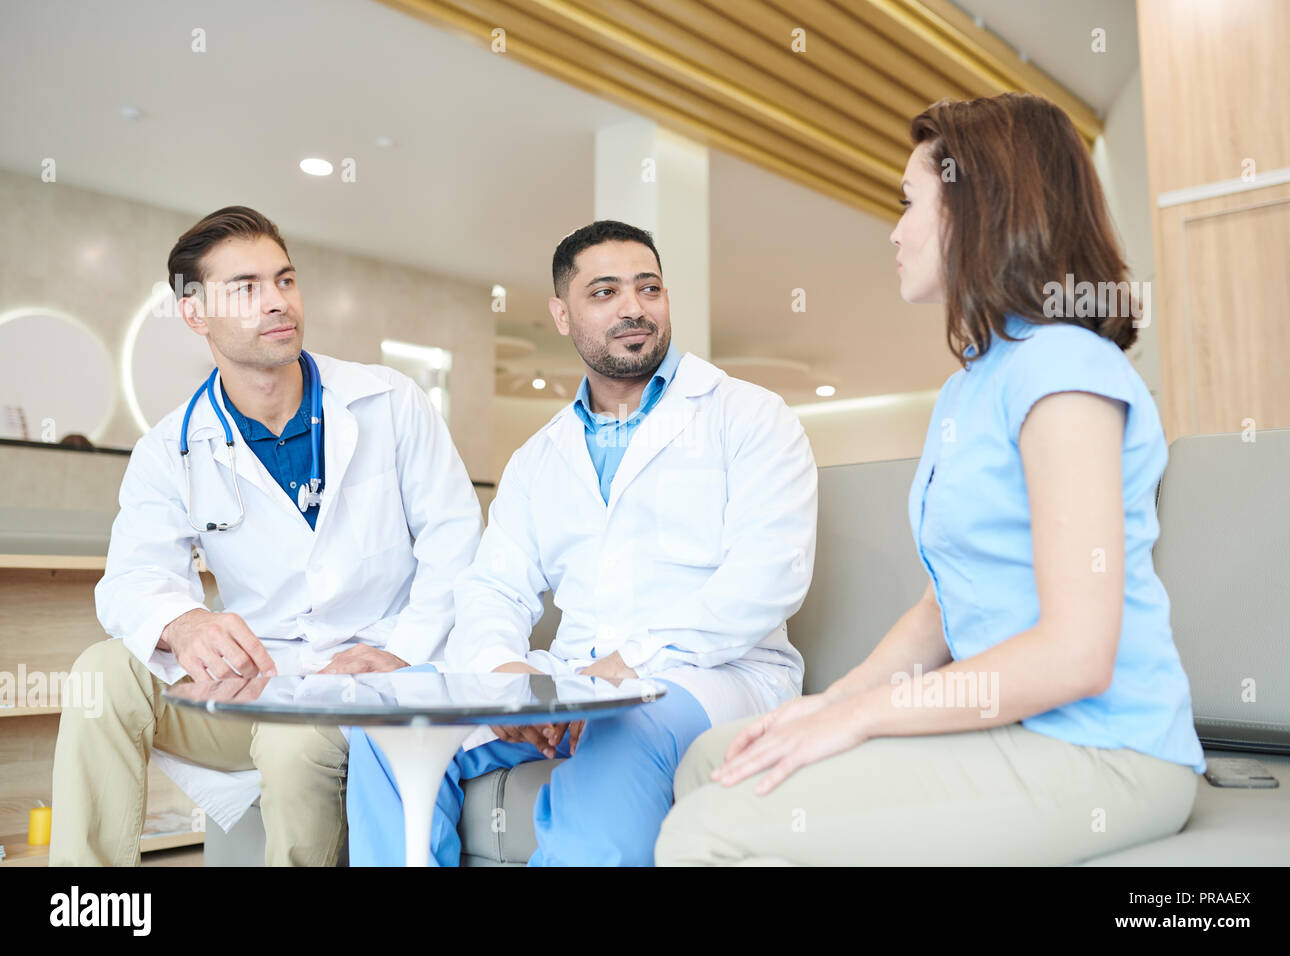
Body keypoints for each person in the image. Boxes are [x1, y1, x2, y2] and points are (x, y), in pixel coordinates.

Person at [655, 93, 1205, 866]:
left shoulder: (1065, 369)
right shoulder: (972, 384)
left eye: (909, 204)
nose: (895, 230)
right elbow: (942, 612)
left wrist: (866, 719)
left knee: (708, 830)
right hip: (1006, 727)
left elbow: (1076, 654)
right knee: (715, 758)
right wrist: (827, 704)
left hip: (1107, 750)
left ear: (974, 208)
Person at [345, 220, 818, 866]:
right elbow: (492, 586)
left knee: (624, 725)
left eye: (648, 288)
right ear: (562, 315)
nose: (634, 307)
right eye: (605, 292)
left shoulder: (751, 418)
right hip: (573, 677)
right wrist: (504, 675)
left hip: (713, 675)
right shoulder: (539, 456)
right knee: (393, 711)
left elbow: (766, 579)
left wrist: (630, 665)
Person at [51, 206, 482, 866]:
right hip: (257, 681)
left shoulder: (388, 403)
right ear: (194, 312)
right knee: (102, 675)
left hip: (371, 675)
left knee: (295, 742)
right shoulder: (171, 447)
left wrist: (404, 650)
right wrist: (185, 622)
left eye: (284, 280)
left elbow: (457, 543)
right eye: (246, 288)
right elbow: (131, 580)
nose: (277, 302)